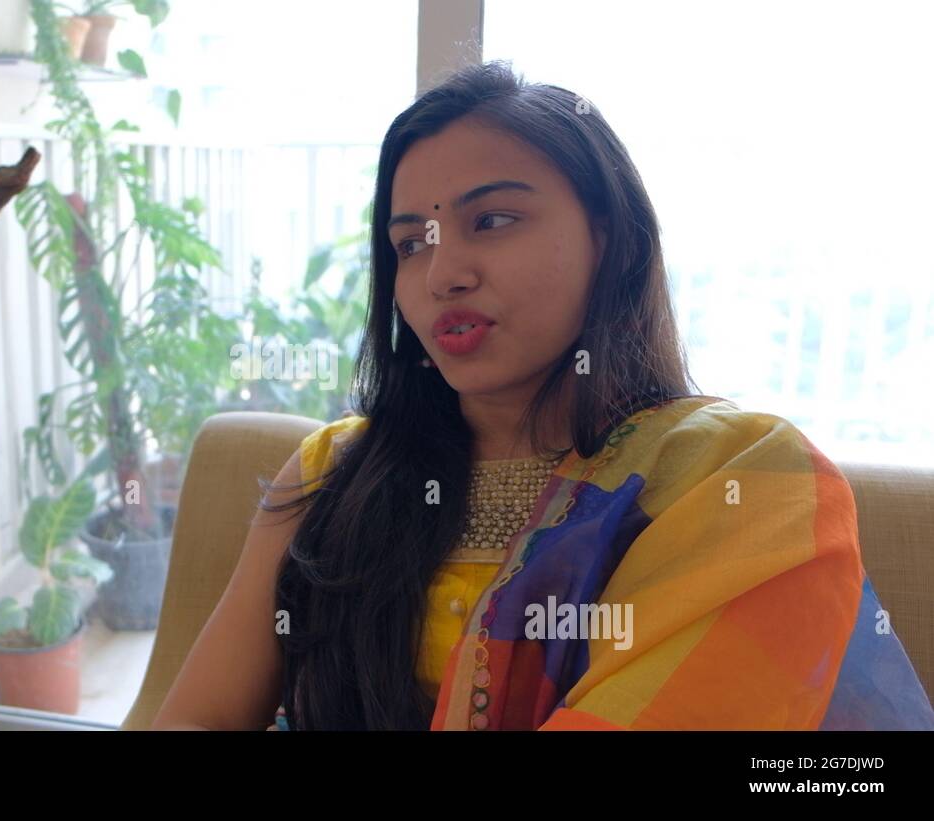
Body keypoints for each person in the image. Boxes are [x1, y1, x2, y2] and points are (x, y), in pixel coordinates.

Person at [150, 60, 933, 731]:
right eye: (409, 243)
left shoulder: (741, 481)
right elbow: (196, 715)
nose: (441, 272)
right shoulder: (333, 469)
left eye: (491, 219)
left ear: (608, 234)